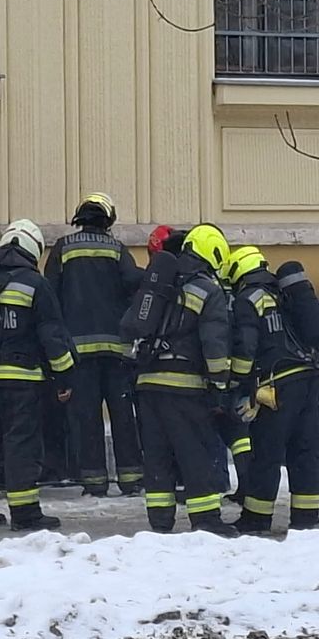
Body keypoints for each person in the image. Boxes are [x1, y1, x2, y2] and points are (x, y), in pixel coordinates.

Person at [0, 219, 76, 530]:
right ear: (32, 250)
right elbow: (52, 336)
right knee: (21, 444)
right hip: (22, 381)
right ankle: (25, 513)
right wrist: (65, 377)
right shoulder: (35, 285)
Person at [124, 223, 238, 536]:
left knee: (157, 455)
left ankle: (159, 523)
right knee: (194, 452)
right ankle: (206, 520)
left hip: (147, 382)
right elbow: (214, 344)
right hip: (184, 387)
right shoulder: (207, 290)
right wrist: (220, 384)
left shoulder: (158, 282)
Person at [45, 193, 144, 496]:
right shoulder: (117, 249)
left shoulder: (63, 248)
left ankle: (94, 483)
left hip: (78, 354)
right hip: (116, 353)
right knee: (123, 417)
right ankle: (130, 480)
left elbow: (50, 296)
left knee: (86, 419)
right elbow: (133, 288)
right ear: (108, 219)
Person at [223, 246, 319, 533]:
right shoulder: (285, 292)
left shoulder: (248, 299)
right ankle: (306, 519)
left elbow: (246, 348)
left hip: (275, 386)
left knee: (266, 452)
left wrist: (236, 383)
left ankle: (256, 517)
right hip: (307, 378)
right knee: (304, 451)